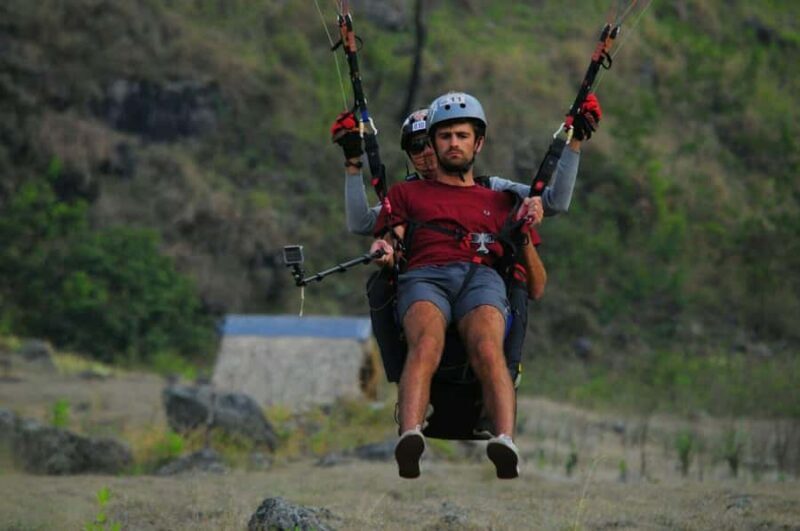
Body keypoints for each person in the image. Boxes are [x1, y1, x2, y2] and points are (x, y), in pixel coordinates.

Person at [368, 92, 544, 479]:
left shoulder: (501, 200)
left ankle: (504, 439)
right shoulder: (405, 194)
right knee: (426, 340)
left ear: (477, 143)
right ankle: (410, 434)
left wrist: (526, 235)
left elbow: (537, 287)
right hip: (424, 276)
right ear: (432, 143)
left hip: (482, 279)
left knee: (487, 344)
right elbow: (390, 238)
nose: (453, 143)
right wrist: (383, 249)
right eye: (444, 136)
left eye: (462, 135)